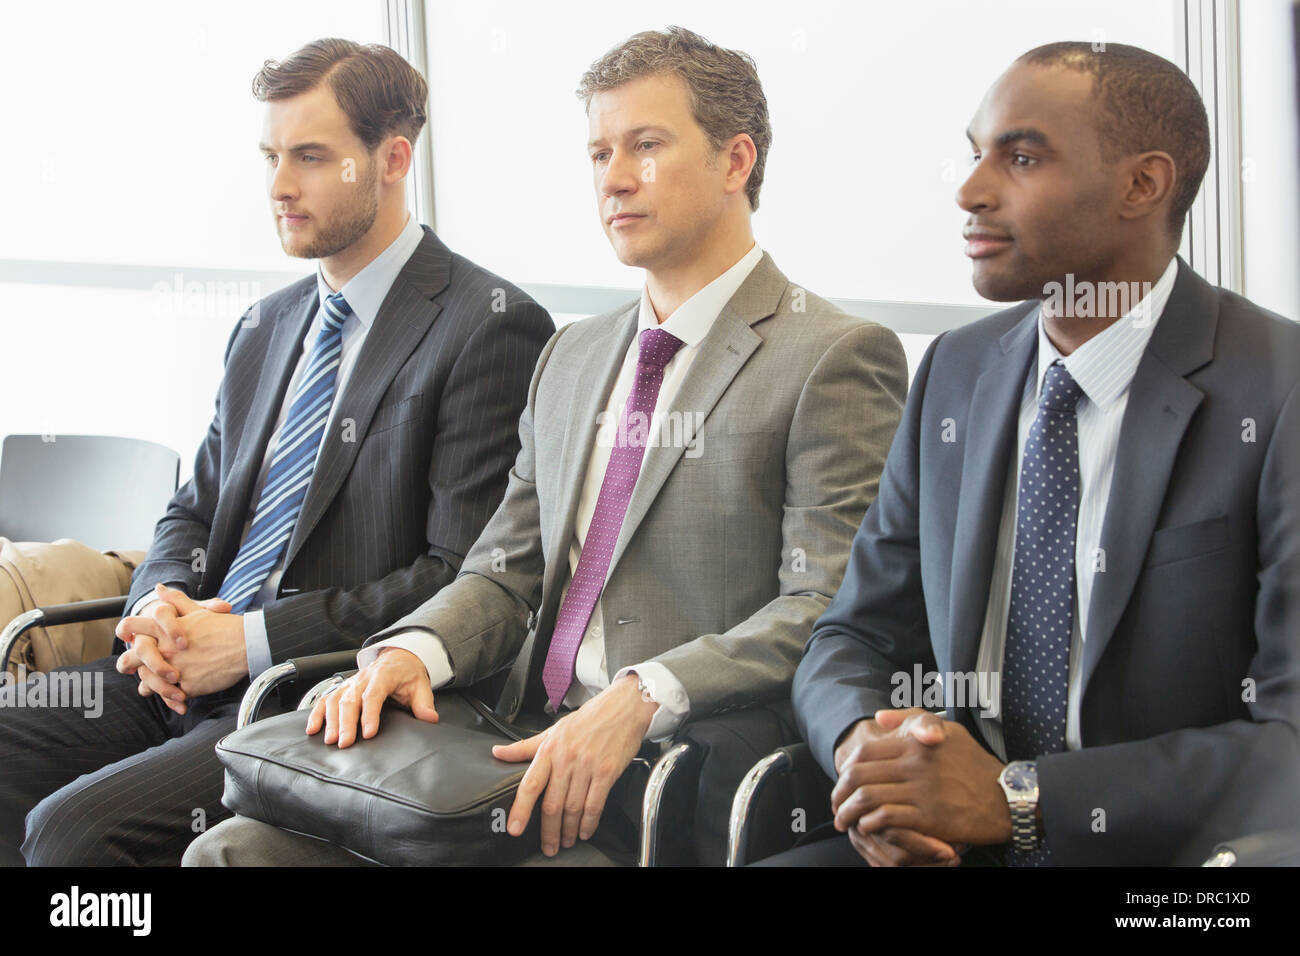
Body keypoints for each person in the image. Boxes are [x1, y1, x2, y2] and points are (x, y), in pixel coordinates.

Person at [185, 25, 909, 866]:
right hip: (503, 734)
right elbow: (504, 568)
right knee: (233, 851)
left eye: (646, 145)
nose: (614, 178)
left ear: (736, 160)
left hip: (660, 770)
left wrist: (644, 694)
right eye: (600, 152)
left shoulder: (831, 354)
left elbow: (819, 606)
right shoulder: (573, 354)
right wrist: (414, 649)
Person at [0, 37, 553, 866]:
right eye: (270, 156)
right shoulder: (265, 326)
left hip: (312, 695)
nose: (279, 187)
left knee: (71, 833)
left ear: (392, 158)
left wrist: (252, 640)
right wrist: (159, 605)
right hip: (175, 676)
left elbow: (456, 576)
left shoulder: (488, 324)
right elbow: (194, 506)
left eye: (310, 157)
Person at [771, 41, 1300, 868]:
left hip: (1170, 858)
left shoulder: (1279, 391)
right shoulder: (956, 368)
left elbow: (1290, 738)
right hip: (944, 846)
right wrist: (865, 761)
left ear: (1142, 184)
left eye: (1020, 157)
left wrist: (1023, 798)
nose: (971, 189)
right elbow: (855, 636)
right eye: (977, 150)